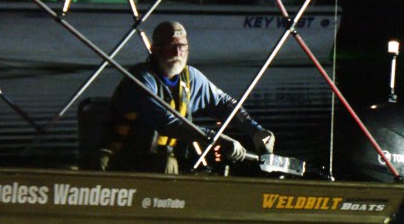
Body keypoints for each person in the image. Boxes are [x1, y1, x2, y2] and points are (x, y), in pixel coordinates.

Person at [97, 21, 275, 174]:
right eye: (171, 47)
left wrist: (256, 131)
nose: (177, 53)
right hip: (123, 160)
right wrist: (217, 139)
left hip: (166, 160)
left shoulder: (192, 78)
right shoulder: (141, 80)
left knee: (207, 167)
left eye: (182, 47)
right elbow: (168, 123)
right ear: (155, 50)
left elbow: (225, 103)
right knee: (168, 164)